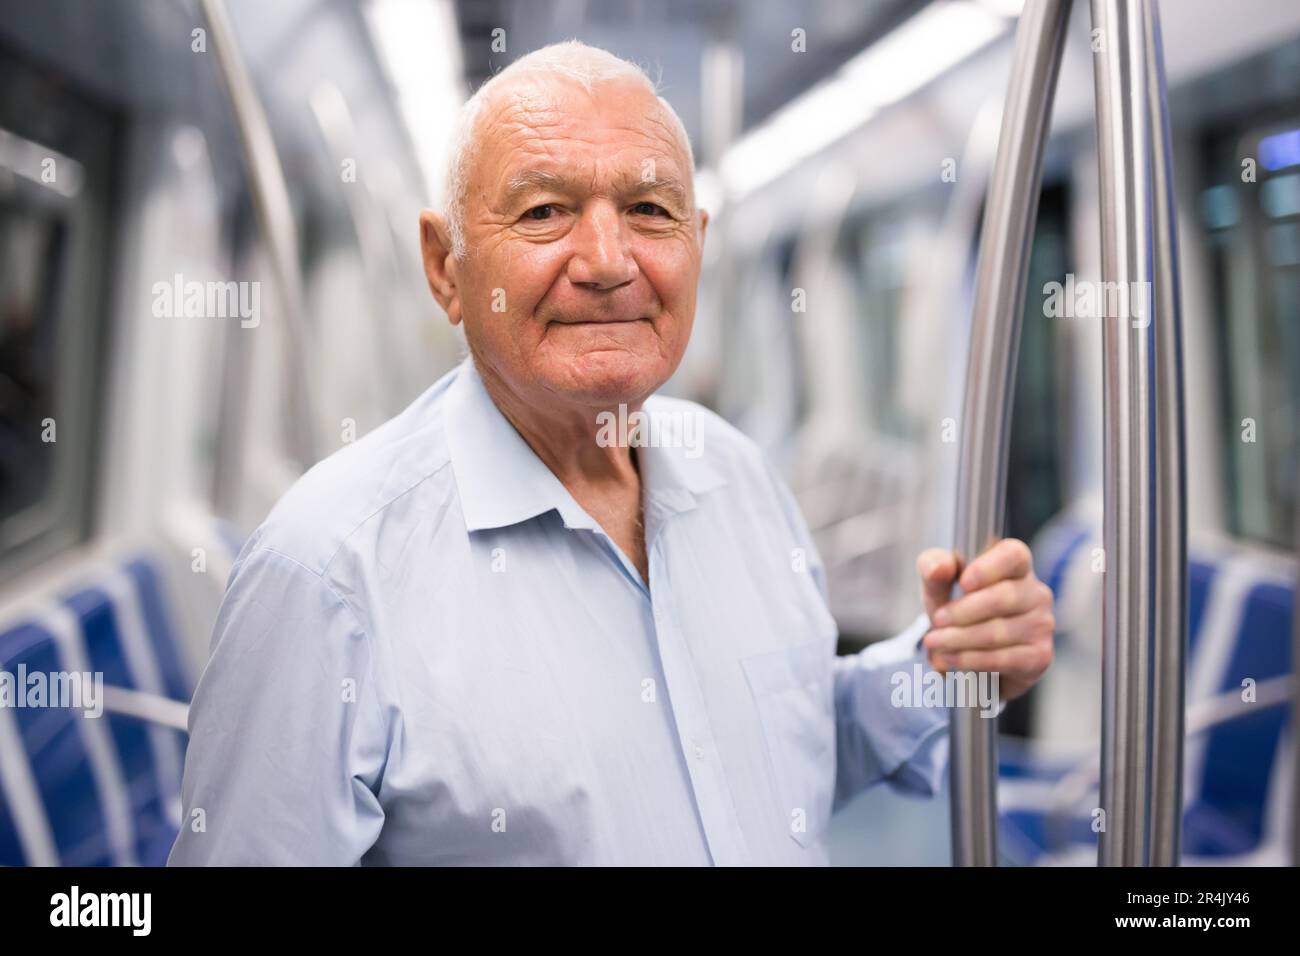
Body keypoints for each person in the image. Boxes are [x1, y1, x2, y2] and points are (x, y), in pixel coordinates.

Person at [168, 41, 1054, 866]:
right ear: (446, 266)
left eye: (648, 210)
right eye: (545, 211)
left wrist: (943, 669)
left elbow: (784, 750)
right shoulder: (327, 572)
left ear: (696, 243)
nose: (605, 261)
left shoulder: (738, 479)